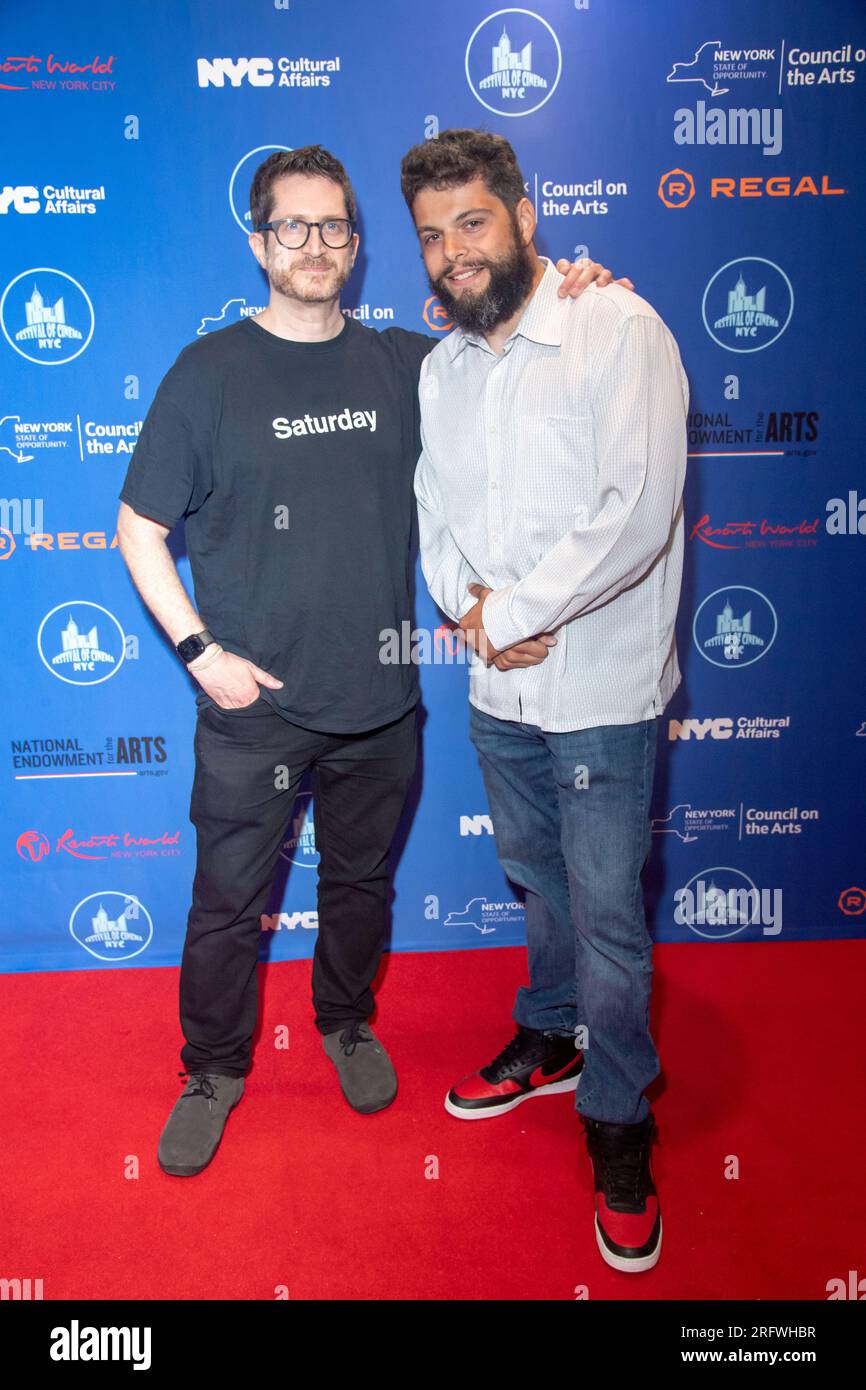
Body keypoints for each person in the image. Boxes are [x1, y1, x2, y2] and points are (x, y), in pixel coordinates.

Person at [115, 145, 624, 1177]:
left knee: (359, 886)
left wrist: (583, 289)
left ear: (355, 243)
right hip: (253, 706)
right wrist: (198, 647)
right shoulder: (206, 372)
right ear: (260, 241)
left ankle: (344, 1021)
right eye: (292, 227)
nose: (315, 245)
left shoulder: (409, 365)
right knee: (226, 903)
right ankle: (211, 1067)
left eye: (334, 226)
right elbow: (135, 523)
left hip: (381, 706)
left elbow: (517, 346)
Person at [402, 128, 688, 1272]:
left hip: (600, 687)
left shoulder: (618, 328)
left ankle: (619, 1119)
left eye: (470, 223)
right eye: (431, 235)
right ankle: (552, 1030)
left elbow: (635, 508)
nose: (451, 253)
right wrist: (472, 610)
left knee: (609, 909)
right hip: (496, 689)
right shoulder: (440, 368)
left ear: (522, 215)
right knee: (534, 875)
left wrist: (511, 614)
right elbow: (432, 512)